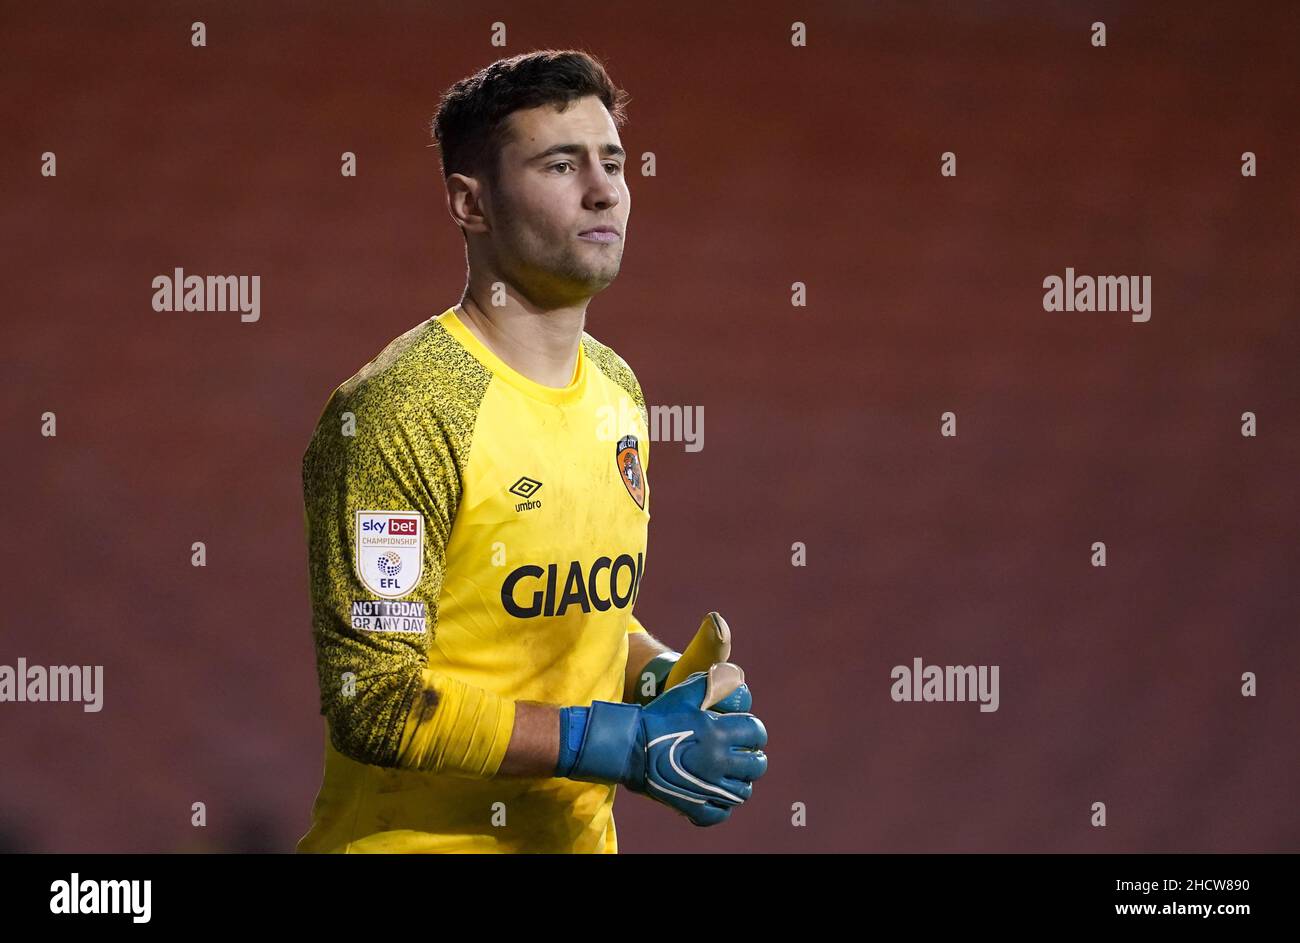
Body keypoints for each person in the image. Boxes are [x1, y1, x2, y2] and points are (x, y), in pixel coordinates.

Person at [296, 49, 768, 854]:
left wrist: (654, 682)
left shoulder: (617, 390)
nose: (603, 188)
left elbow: (571, 622)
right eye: (561, 163)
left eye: (613, 161)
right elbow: (373, 697)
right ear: (470, 204)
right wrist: (612, 742)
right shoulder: (403, 408)